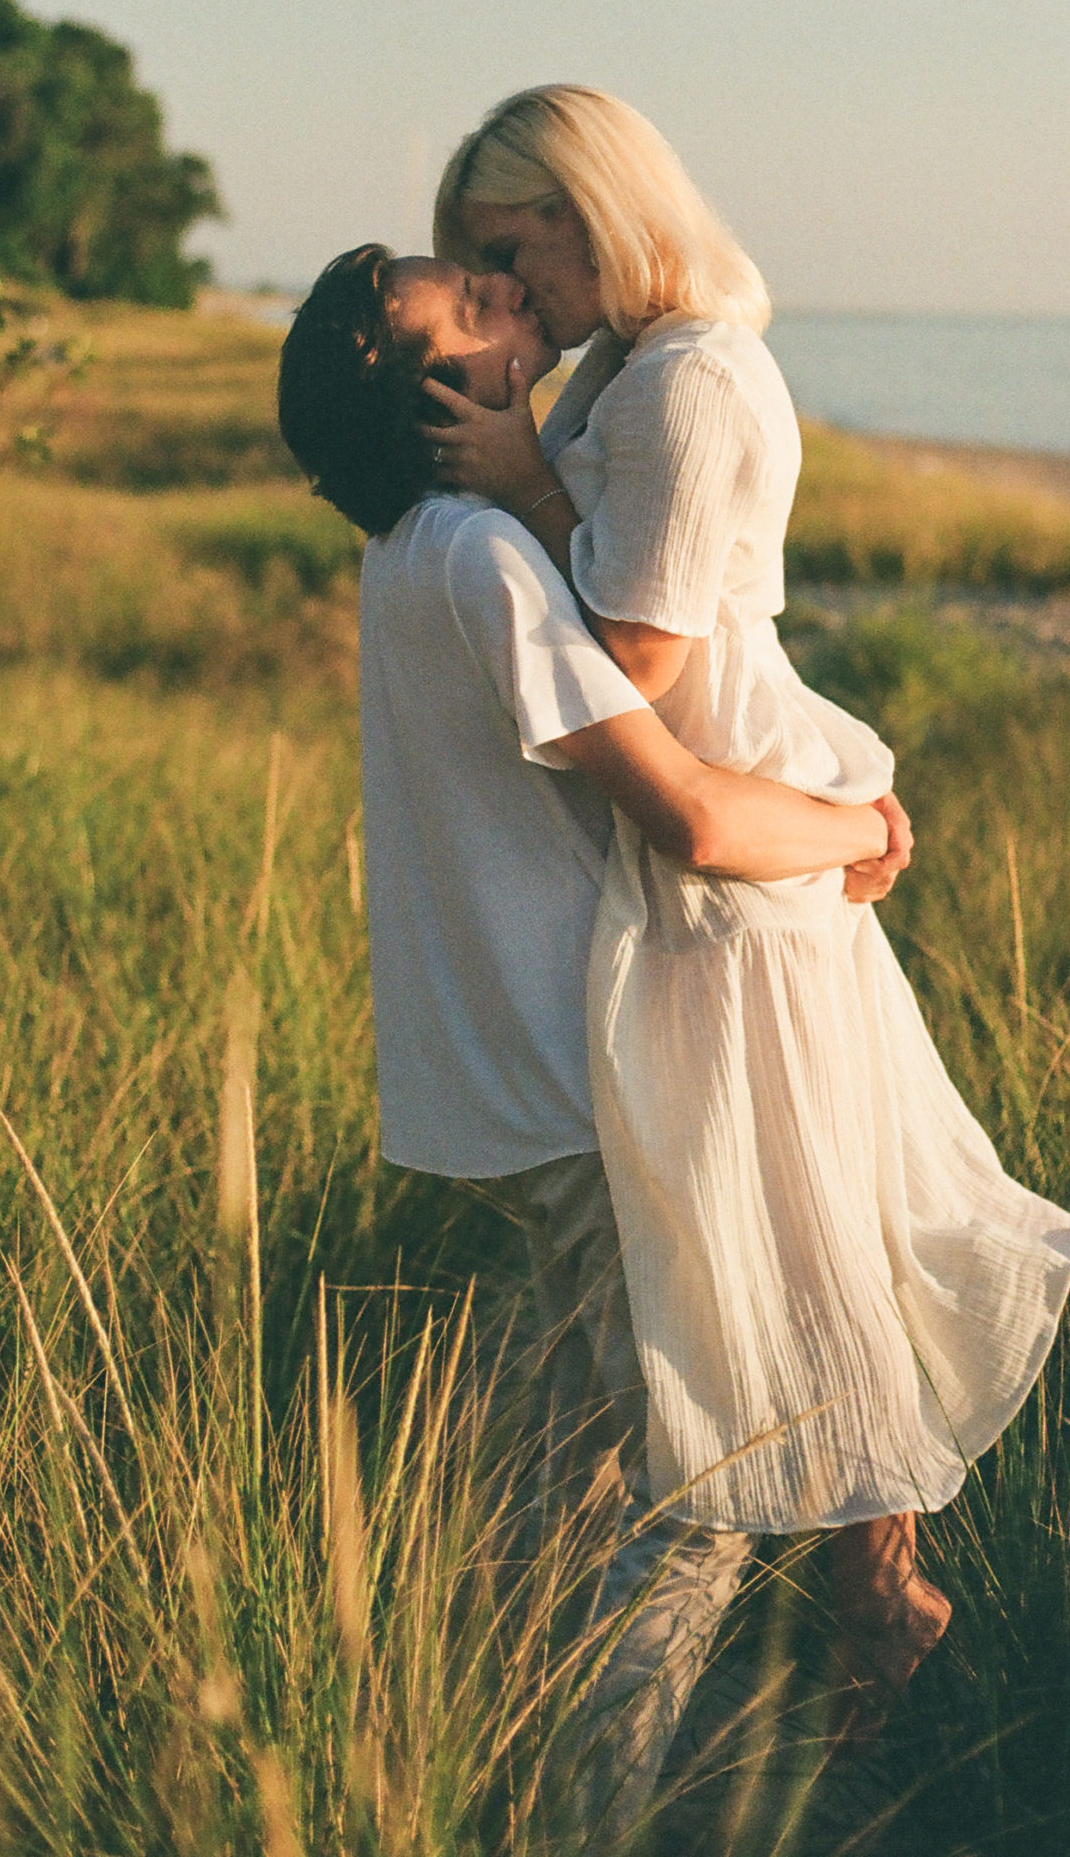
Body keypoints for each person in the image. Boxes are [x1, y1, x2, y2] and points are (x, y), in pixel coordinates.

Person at [426, 83, 1070, 1728]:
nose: (501, 292)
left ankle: (921, 1526)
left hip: (730, 863)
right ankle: (925, 1528)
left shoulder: (687, 386)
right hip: (730, 859)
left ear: (591, 207)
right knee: (836, 1216)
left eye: (507, 249)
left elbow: (642, 664)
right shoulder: (639, 367)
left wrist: (523, 482)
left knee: (798, 1240)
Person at [276, 242, 899, 1833]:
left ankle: (481, 1760)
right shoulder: (482, 558)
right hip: (576, 1091)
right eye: (466, 312)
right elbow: (687, 809)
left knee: (574, 1476)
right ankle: (588, 1818)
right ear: (440, 393)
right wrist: (850, 820)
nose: (503, 297)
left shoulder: (408, 556)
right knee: (708, 1481)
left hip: (487, 1093)